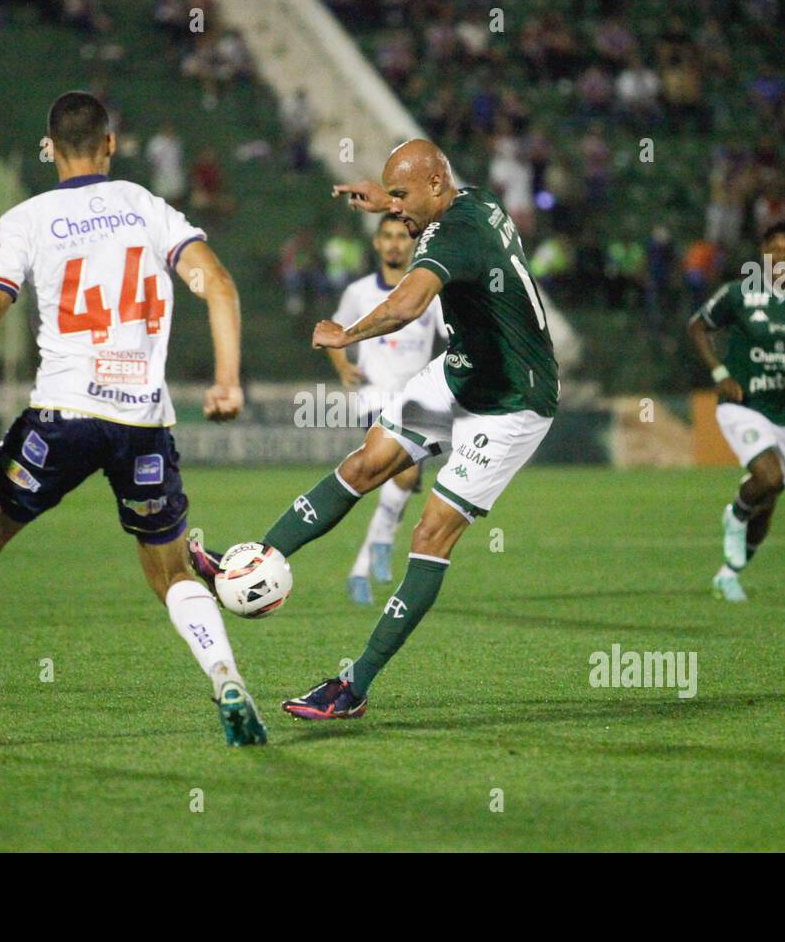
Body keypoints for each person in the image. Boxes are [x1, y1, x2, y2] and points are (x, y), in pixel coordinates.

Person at [0, 91, 265, 746]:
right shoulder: (148, 207)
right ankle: (227, 679)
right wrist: (225, 382)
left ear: (50, 148)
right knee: (171, 573)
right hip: (143, 424)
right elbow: (218, 284)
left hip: (63, 414)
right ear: (110, 144)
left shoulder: (25, 219)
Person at [192, 139, 558, 720]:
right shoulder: (476, 201)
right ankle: (254, 559)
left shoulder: (451, 235)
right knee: (366, 462)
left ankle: (353, 687)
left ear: (436, 185)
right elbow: (421, 207)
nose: (397, 210)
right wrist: (384, 198)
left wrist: (347, 334)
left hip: (513, 401)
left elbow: (409, 303)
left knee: (430, 534)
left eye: (402, 197)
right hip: (465, 373)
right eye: (392, 199)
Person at [686, 222, 785, 602]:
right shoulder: (738, 294)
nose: (784, 255)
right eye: (776, 248)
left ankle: (728, 573)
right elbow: (697, 326)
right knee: (767, 478)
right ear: (762, 254)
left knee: (770, 499)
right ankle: (734, 514)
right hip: (742, 406)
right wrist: (720, 372)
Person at [324, 214, 445, 605]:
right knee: (404, 475)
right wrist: (343, 366)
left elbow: (452, 334)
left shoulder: (428, 293)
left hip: (419, 398)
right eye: (387, 237)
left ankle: (362, 566)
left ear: (411, 244)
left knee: (396, 484)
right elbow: (334, 332)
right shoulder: (359, 292)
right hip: (375, 396)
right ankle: (381, 544)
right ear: (376, 244)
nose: (394, 244)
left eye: (400, 237)